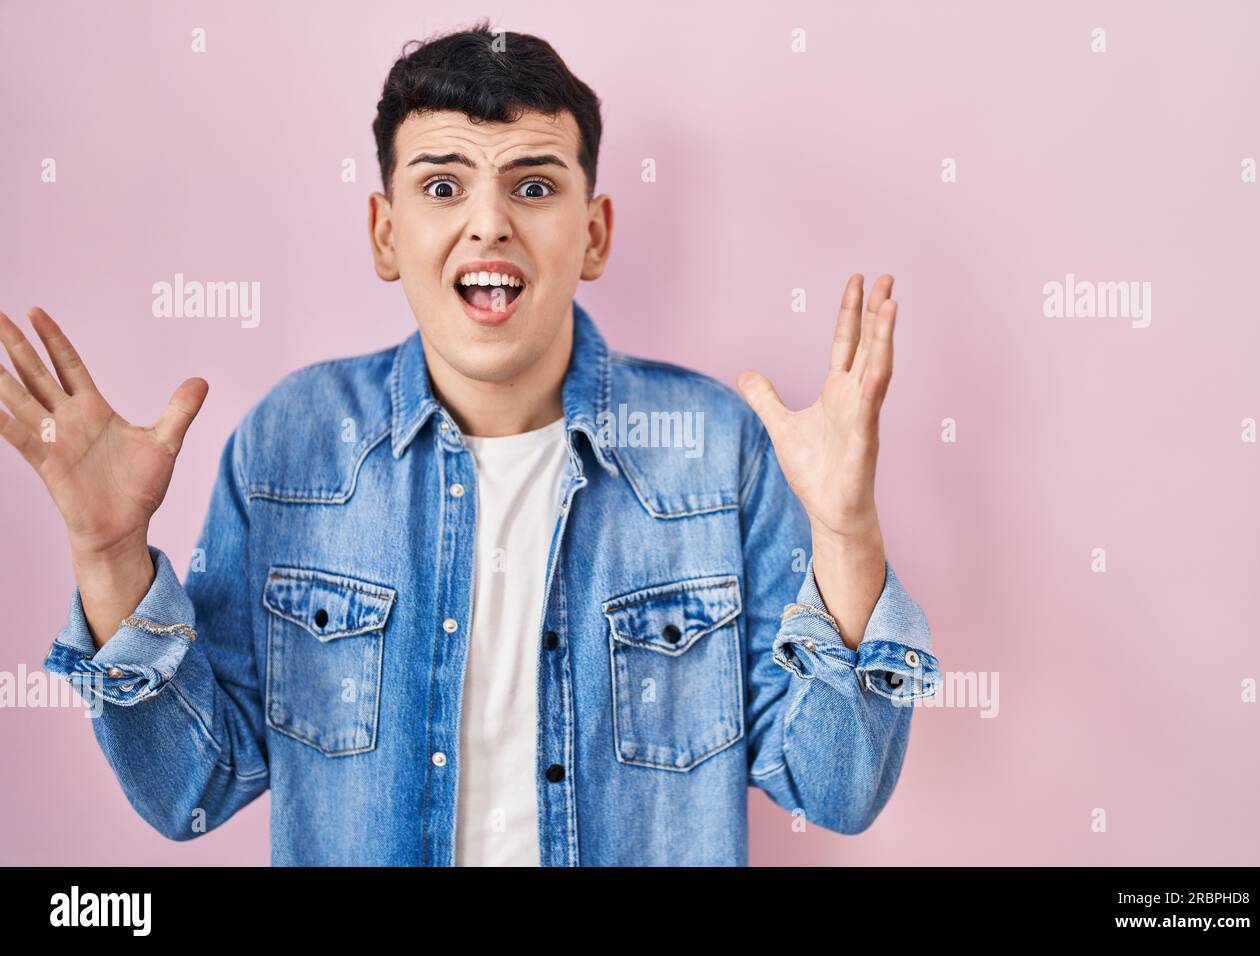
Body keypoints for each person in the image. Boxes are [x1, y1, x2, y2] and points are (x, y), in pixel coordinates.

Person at [0, 22, 940, 866]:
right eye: (443, 185)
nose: (489, 221)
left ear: (596, 232)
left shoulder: (713, 449)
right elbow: (188, 792)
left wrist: (848, 532)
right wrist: (109, 554)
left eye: (534, 185)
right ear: (385, 232)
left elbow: (837, 791)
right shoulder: (291, 445)